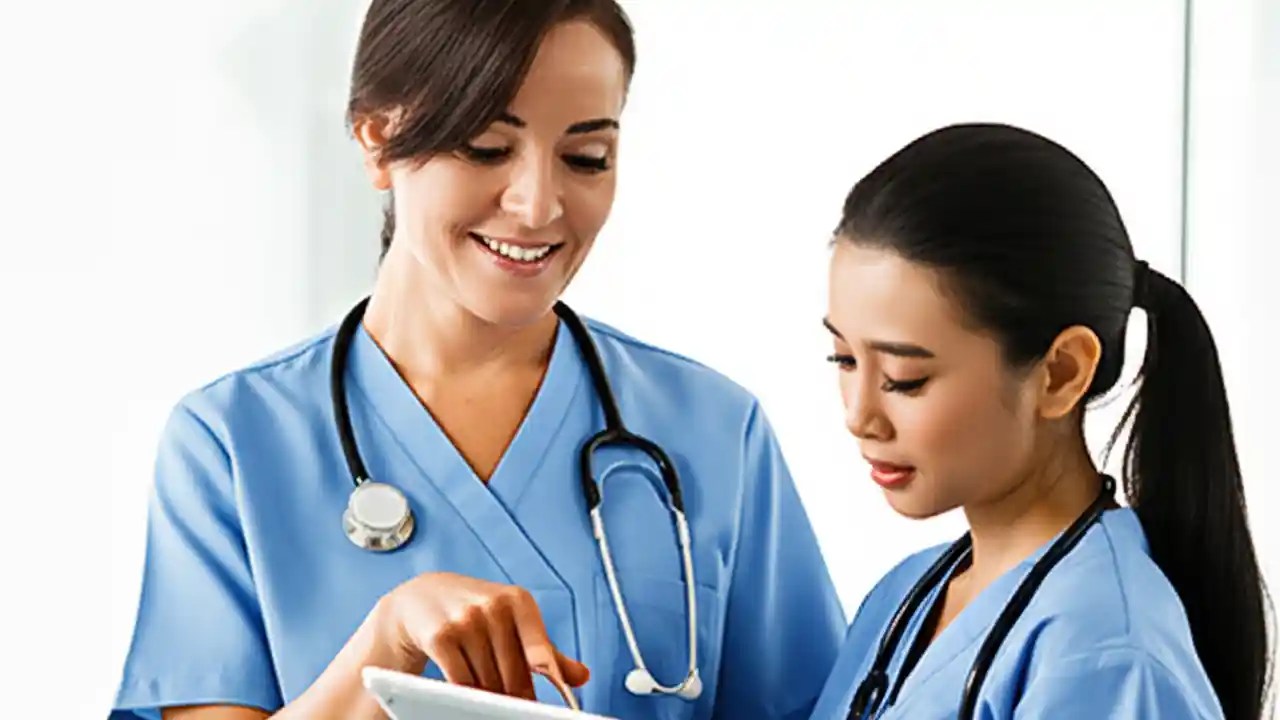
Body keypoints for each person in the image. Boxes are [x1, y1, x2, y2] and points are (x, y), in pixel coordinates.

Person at [108, 2, 845, 718]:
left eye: (586, 158)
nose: (537, 206)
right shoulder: (233, 441)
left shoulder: (712, 431)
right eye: (488, 148)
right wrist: (385, 645)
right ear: (375, 141)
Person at [806, 123, 1273, 719]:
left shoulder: (1106, 654)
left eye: (904, 378)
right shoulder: (902, 600)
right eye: (844, 359)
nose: (859, 415)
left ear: (1060, 373)